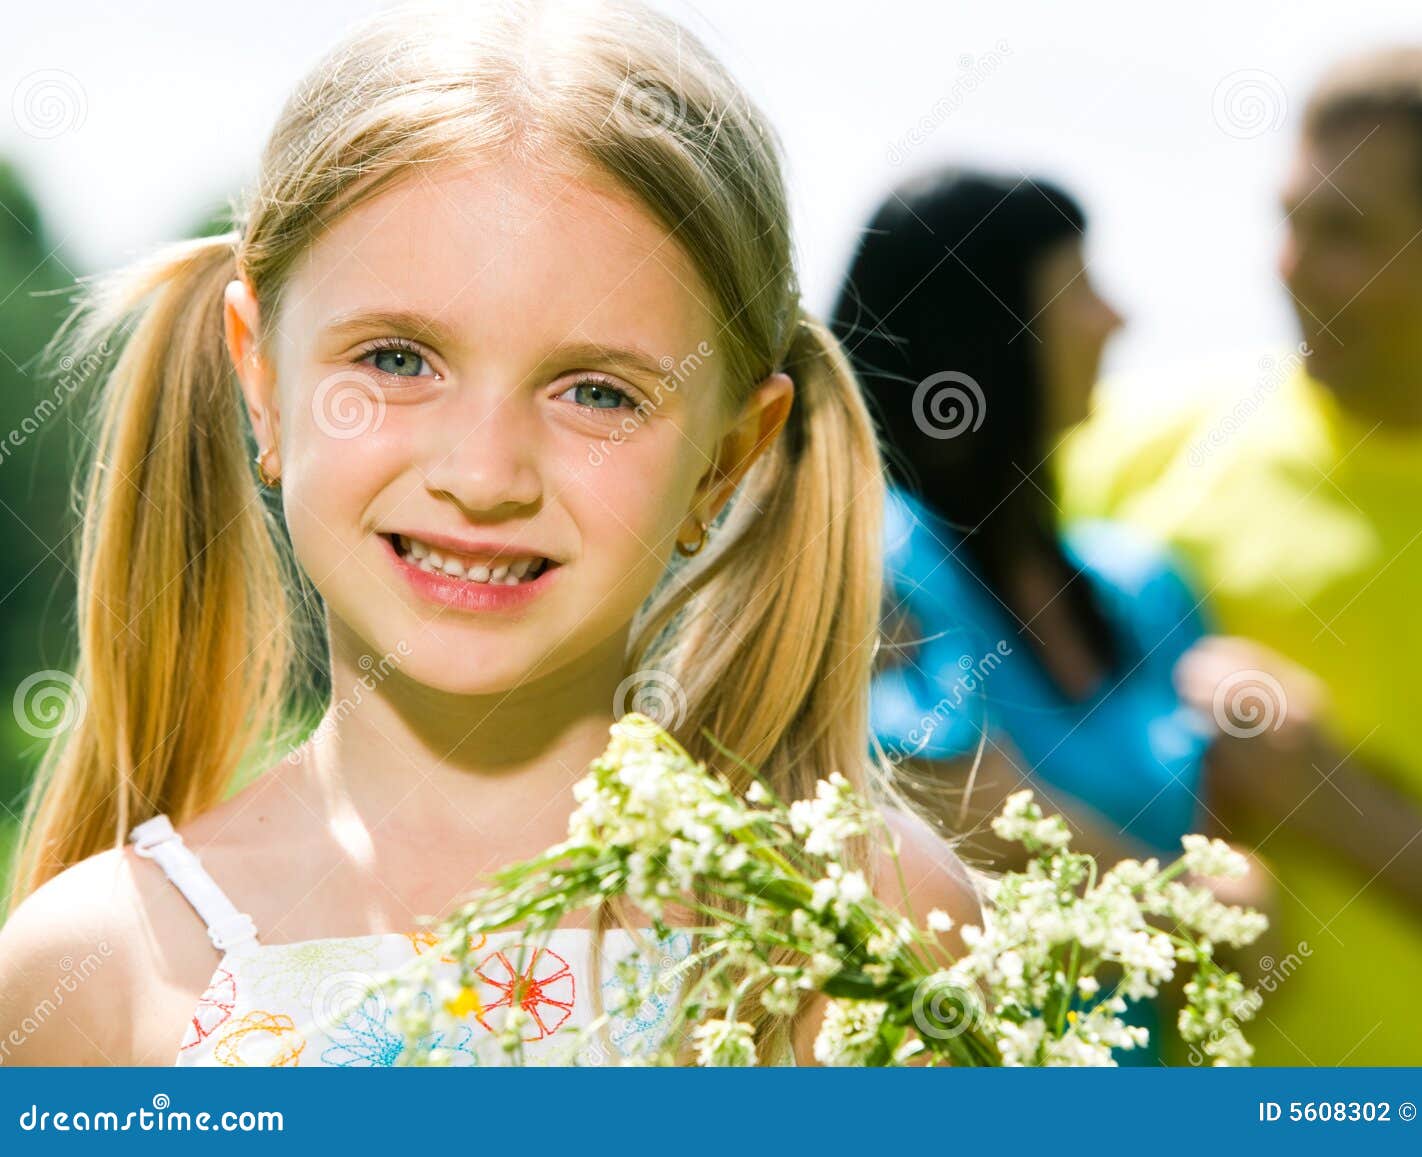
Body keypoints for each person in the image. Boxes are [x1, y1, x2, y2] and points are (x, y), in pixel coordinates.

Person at [0, 0, 980, 1067]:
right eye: (396, 359)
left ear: (730, 455)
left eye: (597, 392)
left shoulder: (871, 933)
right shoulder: (93, 975)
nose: (483, 475)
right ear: (263, 381)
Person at [1064, 47, 1422, 1065]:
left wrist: (1333, 804)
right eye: (1292, 220)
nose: (1295, 268)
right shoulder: (1130, 449)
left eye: (1347, 233)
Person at [833, 169, 1211, 869]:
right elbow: (959, 812)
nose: (1116, 318)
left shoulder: (1143, 585)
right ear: (982, 327)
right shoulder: (863, 554)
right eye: (1079, 287)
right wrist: (1212, 920)